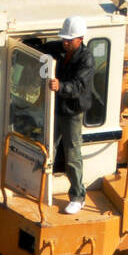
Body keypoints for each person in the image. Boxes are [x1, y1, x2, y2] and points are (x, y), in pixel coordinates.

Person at [45, 16, 94, 215]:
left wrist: (60, 86)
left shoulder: (86, 59)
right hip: (54, 106)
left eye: (69, 40)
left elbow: (79, 86)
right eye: (64, 39)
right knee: (48, 148)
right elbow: (43, 49)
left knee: (72, 154)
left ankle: (77, 196)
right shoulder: (60, 49)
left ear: (80, 39)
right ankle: (43, 187)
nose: (65, 42)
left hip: (72, 111)